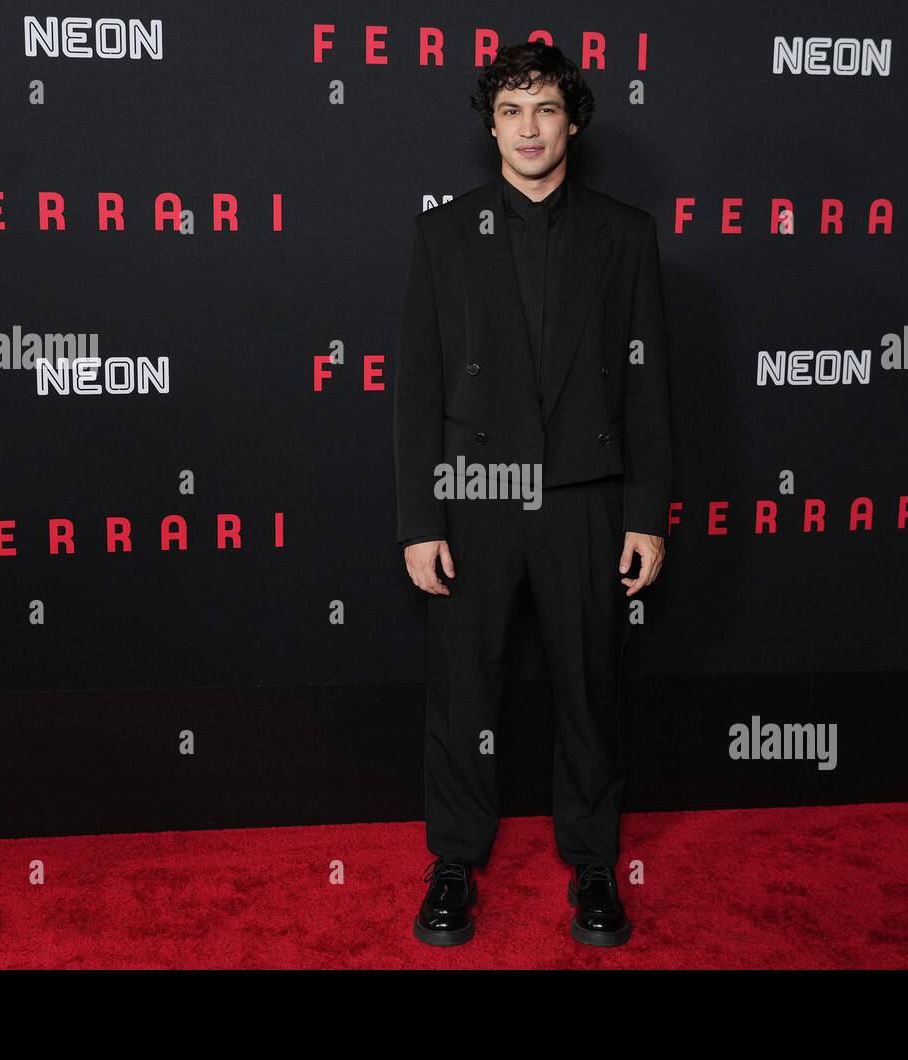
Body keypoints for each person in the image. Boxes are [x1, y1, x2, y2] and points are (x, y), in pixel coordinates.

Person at [392, 41, 672, 947]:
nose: (528, 129)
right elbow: (418, 392)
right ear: (491, 125)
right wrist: (419, 520)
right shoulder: (442, 235)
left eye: (544, 108)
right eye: (510, 111)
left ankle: (593, 868)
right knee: (461, 690)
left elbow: (651, 390)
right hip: (472, 495)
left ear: (573, 120)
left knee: (589, 686)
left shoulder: (625, 235)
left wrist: (645, 513)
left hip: (587, 499)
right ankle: (452, 865)